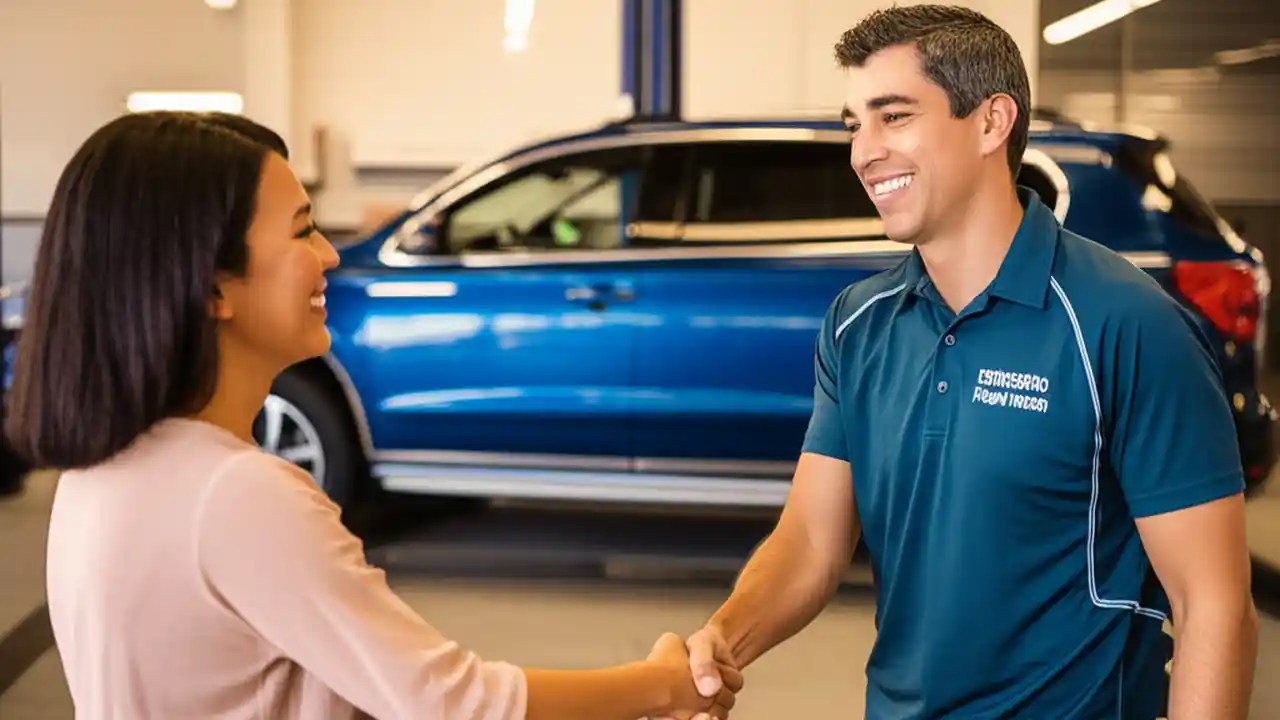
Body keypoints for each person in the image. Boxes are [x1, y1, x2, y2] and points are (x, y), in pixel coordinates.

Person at [5, 111, 740, 720]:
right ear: (212, 286)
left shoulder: (102, 470)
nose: (328, 254)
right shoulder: (236, 494)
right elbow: (453, 706)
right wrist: (665, 684)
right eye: (300, 231)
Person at [667, 5, 1259, 719]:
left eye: (894, 116)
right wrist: (723, 641)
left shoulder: (1127, 325)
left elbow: (1214, 607)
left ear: (990, 122)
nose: (863, 151)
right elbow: (812, 544)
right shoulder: (858, 324)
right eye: (855, 123)